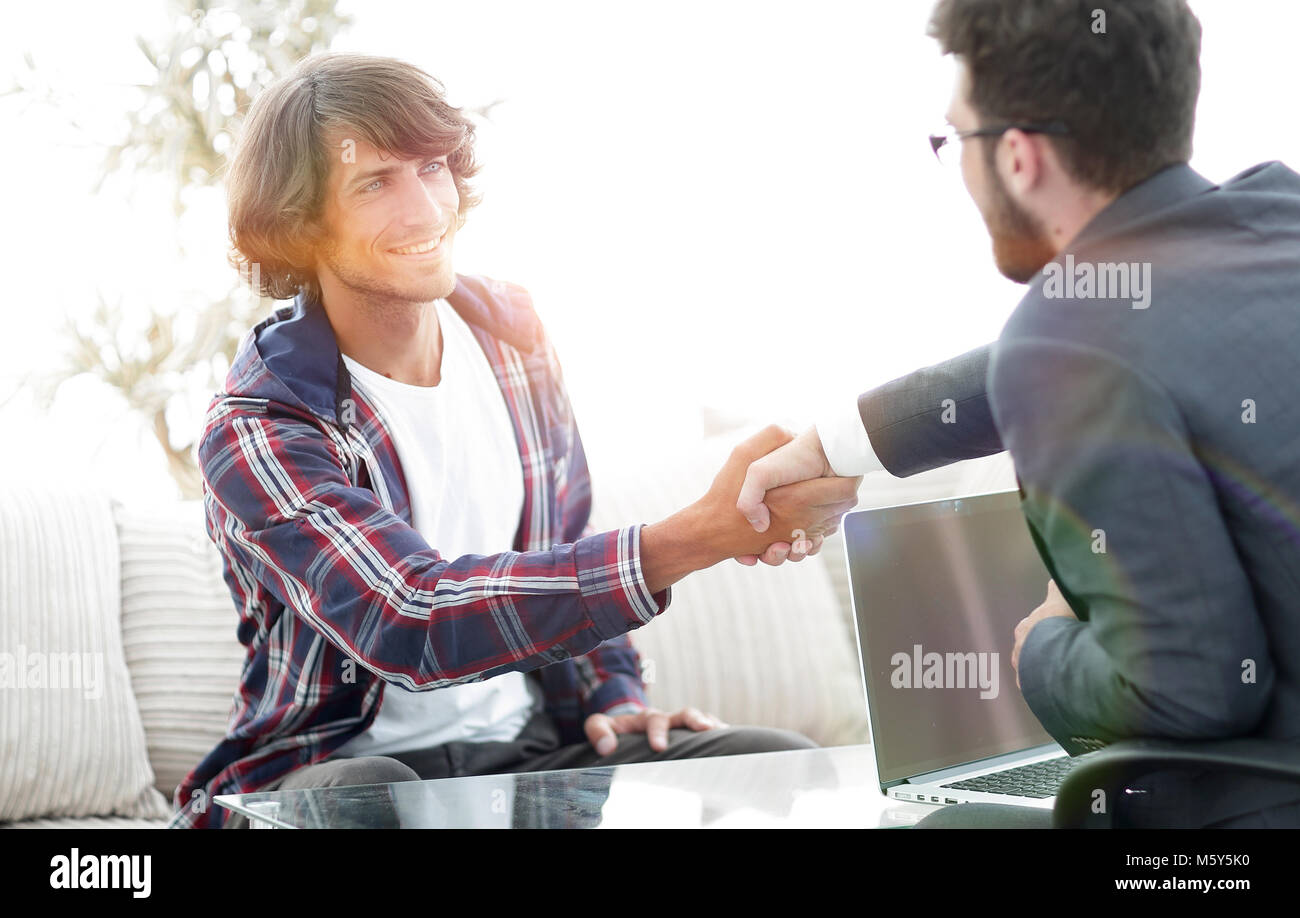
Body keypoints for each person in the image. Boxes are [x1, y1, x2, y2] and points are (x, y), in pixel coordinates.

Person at [168, 52, 860, 829]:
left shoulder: (511, 334)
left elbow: (559, 539)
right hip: (331, 772)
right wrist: (693, 537)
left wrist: (615, 698)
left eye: (432, 168)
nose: (425, 209)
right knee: (362, 804)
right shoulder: (261, 419)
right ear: (299, 226)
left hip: (527, 753)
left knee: (776, 765)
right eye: (374, 183)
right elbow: (408, 618)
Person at [738, 0, 1300, 828]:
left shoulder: (1072, 342)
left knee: (937, 824)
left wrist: (1044, 647)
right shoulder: (1274, 217)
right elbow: (1107, 345)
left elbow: (1183, 696)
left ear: (1020, 157)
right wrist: (833, 447)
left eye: (954, 140)